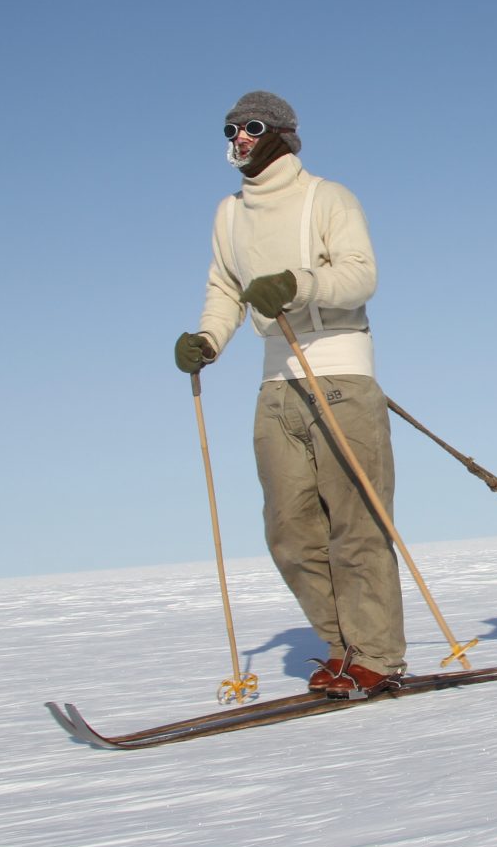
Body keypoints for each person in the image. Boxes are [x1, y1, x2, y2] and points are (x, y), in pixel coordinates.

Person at [173, 90, 407, 699]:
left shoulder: (328, 197)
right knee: (288, 532)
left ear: (280, 133)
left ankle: (375, 656)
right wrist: (207, 340)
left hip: (341, 372)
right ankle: (343, 647)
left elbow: (361, 275)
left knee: (356, 525)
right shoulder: (229, 214)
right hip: (276, 384)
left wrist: (298, 285)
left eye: (251, 127)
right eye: (230, 130)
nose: (239, 138)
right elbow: (225, 289)